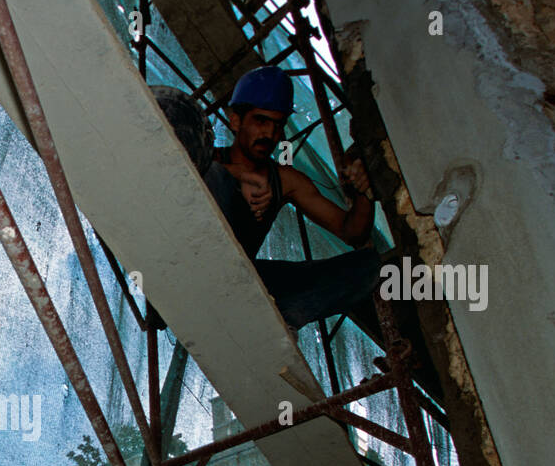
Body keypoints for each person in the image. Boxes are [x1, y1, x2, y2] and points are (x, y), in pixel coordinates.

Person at [152, 68, 384, 334]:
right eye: (261, 121)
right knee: (202, 163)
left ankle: (277, 318)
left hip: (235, 286)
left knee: (368, 267)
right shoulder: (204, 158)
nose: (270, 134)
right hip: (179, 271)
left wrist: (364, 192)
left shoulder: (285, 180)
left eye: (278, 124)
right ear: (235, 120)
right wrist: (238, 176)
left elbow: (351, 231)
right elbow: (161, 164)